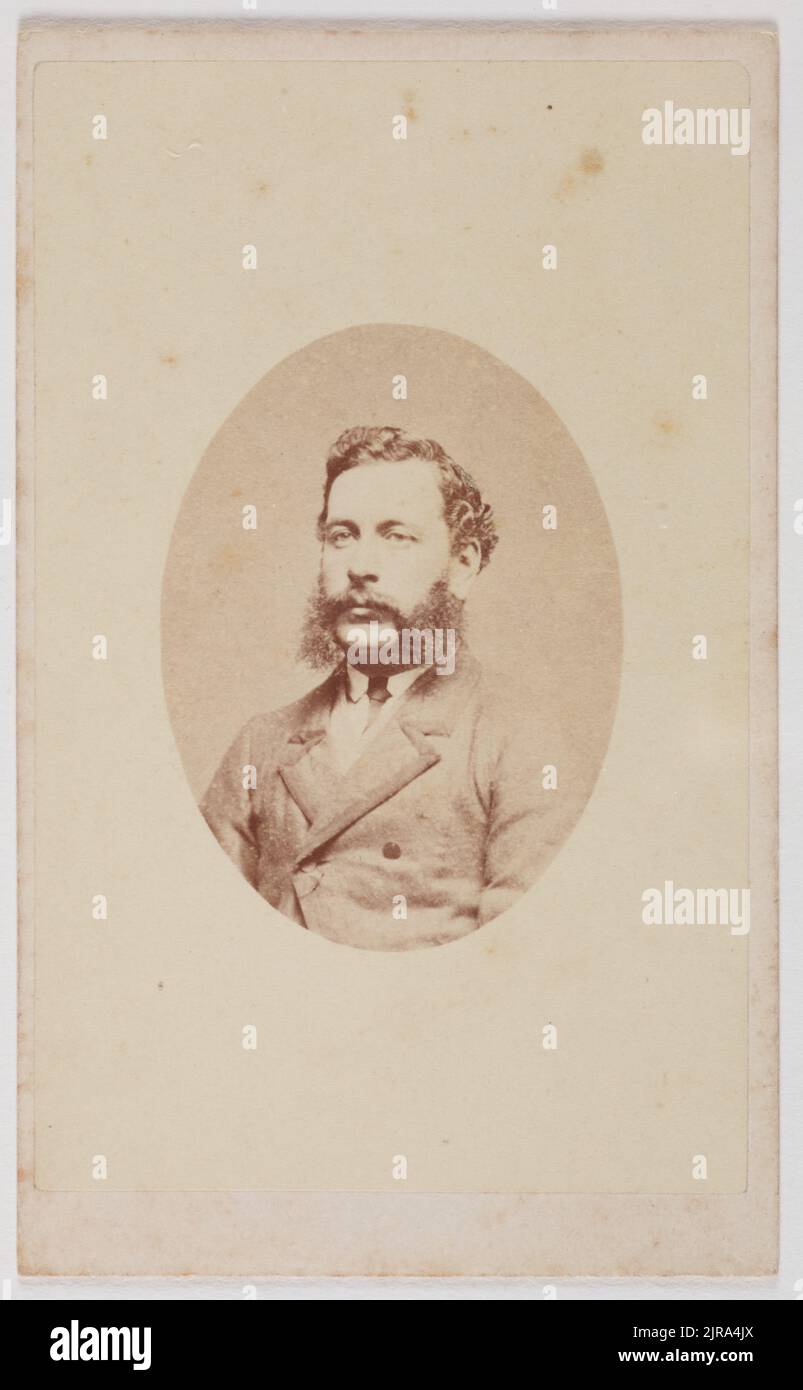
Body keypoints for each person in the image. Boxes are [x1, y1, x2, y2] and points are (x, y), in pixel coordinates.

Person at [201, 426, 572, 951]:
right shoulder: (261, 743)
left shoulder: (515, 734)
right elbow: (204, 934)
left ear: (461, 566)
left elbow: (520, 957)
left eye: (397, 536)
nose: (359, 566)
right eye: (341, 535)